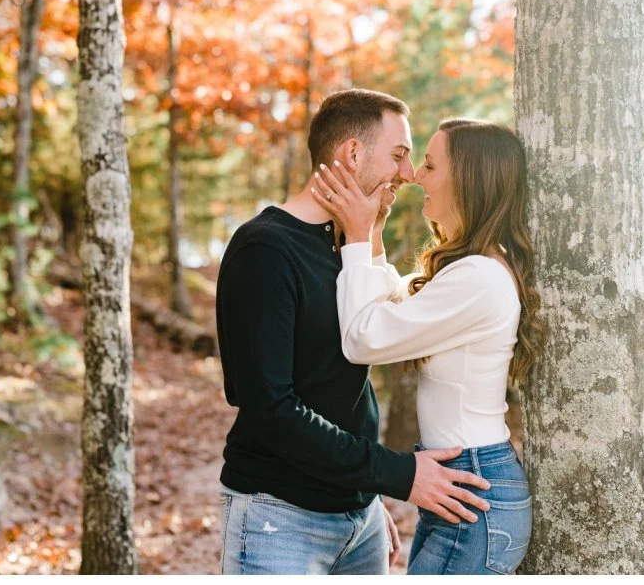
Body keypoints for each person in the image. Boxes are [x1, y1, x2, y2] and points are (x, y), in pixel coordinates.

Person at [216, 89, 492, 575]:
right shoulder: (265, 250)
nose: (408, 174)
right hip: (279, 520)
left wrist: (364, 495)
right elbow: (270, 410)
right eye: (400, 156)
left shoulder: (347, 246)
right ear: (352, 153)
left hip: (360, 520)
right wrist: (399, 475)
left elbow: (352, 369)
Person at [312, 117, 545, 574]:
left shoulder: (478, 277)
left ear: (468, 181)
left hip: (475, 493)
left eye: (431, 166)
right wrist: (374, 237)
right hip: (464, 485)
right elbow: (392, 307)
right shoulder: (470, 269)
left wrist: (357, 237)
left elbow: (364, 338)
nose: (416, 176)